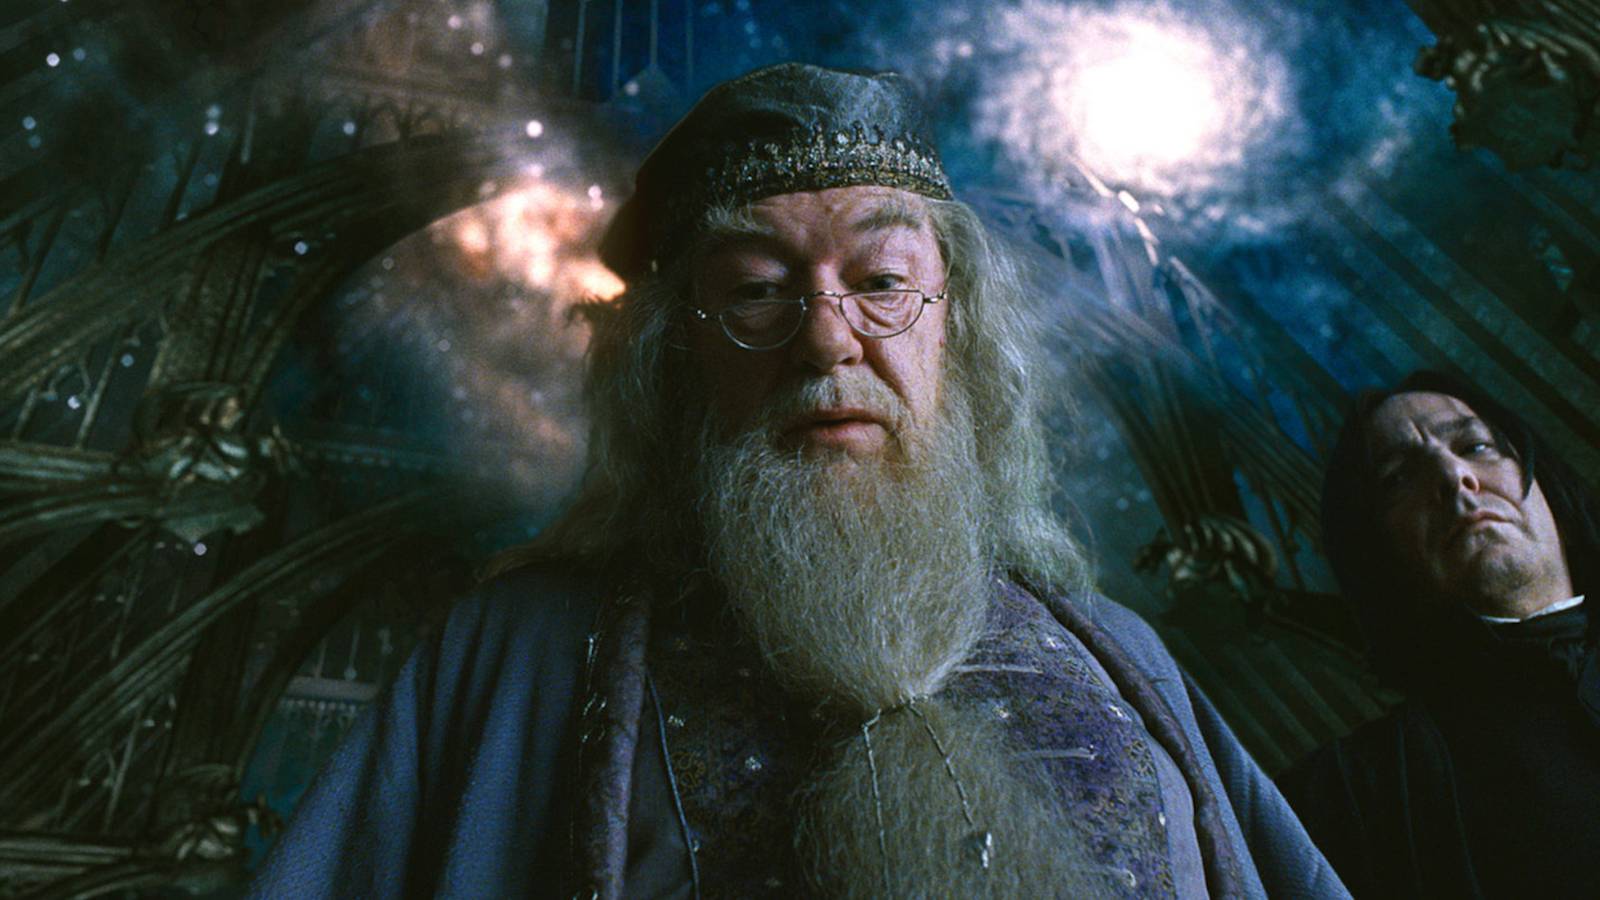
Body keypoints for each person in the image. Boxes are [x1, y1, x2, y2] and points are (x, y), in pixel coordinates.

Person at [251, 62, 1345, 898]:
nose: (826, 339)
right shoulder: (515, 653)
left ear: (957, 335)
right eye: (756, 291)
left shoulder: (1126, 660)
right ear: (674, 361)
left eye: (882, 282)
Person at [1280, 370, 1600, 899]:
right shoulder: (1361, 795)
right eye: (1399, 478)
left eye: (1474, 446)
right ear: (1380, 555)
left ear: (1543, 483)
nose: (1453, 475)